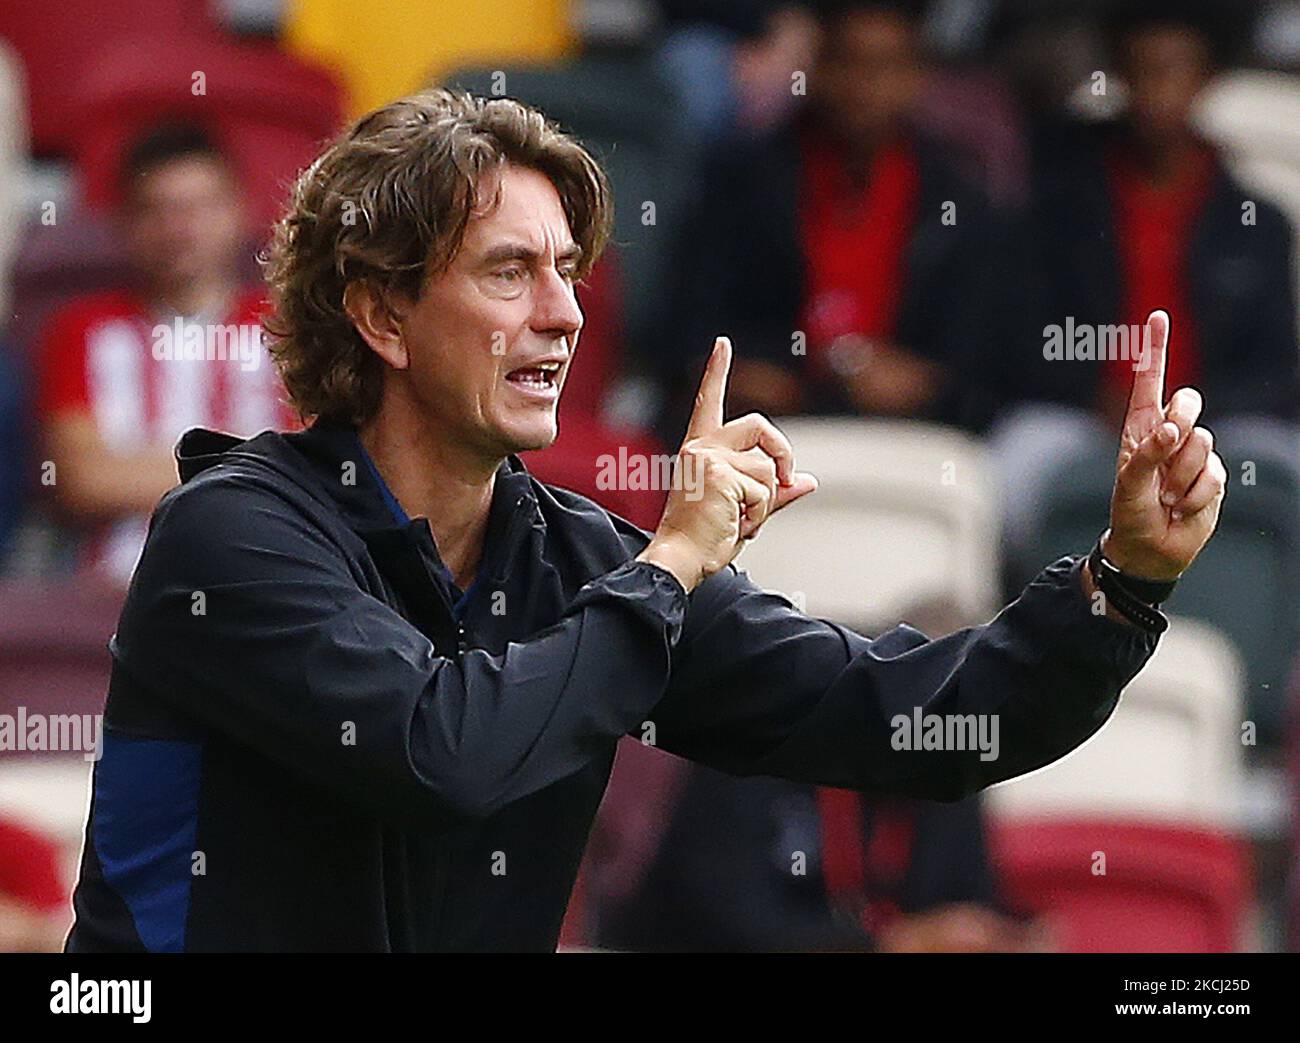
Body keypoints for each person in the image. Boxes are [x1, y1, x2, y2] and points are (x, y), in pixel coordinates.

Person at [67, 88, 1225, 953]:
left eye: (570, 269)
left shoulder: (583, 561)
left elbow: (918, 719)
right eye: (510, 271)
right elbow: (438, 750)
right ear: (381, 314)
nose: (567, 315)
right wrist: (670, 563)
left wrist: (1120, 582)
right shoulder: (226, 538)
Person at [662, 0, 1011, 437]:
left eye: (885, 67)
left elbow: (988, 356)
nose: (864, 85)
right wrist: (748, 373)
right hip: (767, 423)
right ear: (816, 67)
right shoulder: (742, 179)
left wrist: (924, 381)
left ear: (917, 76)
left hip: (919, 432)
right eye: (846, 63)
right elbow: (688, 324)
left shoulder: (959, 196)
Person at [36, 123, 293, 584]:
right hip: (115, 592)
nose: (181, 230)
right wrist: (256, 466)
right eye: (159, 211)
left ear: (239, 212)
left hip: (267, 584)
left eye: (199, 208)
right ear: (125, 223)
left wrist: (135, 471)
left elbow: (311, 469)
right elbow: (81, 480)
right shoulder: (81, 329)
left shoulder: (289, 326)